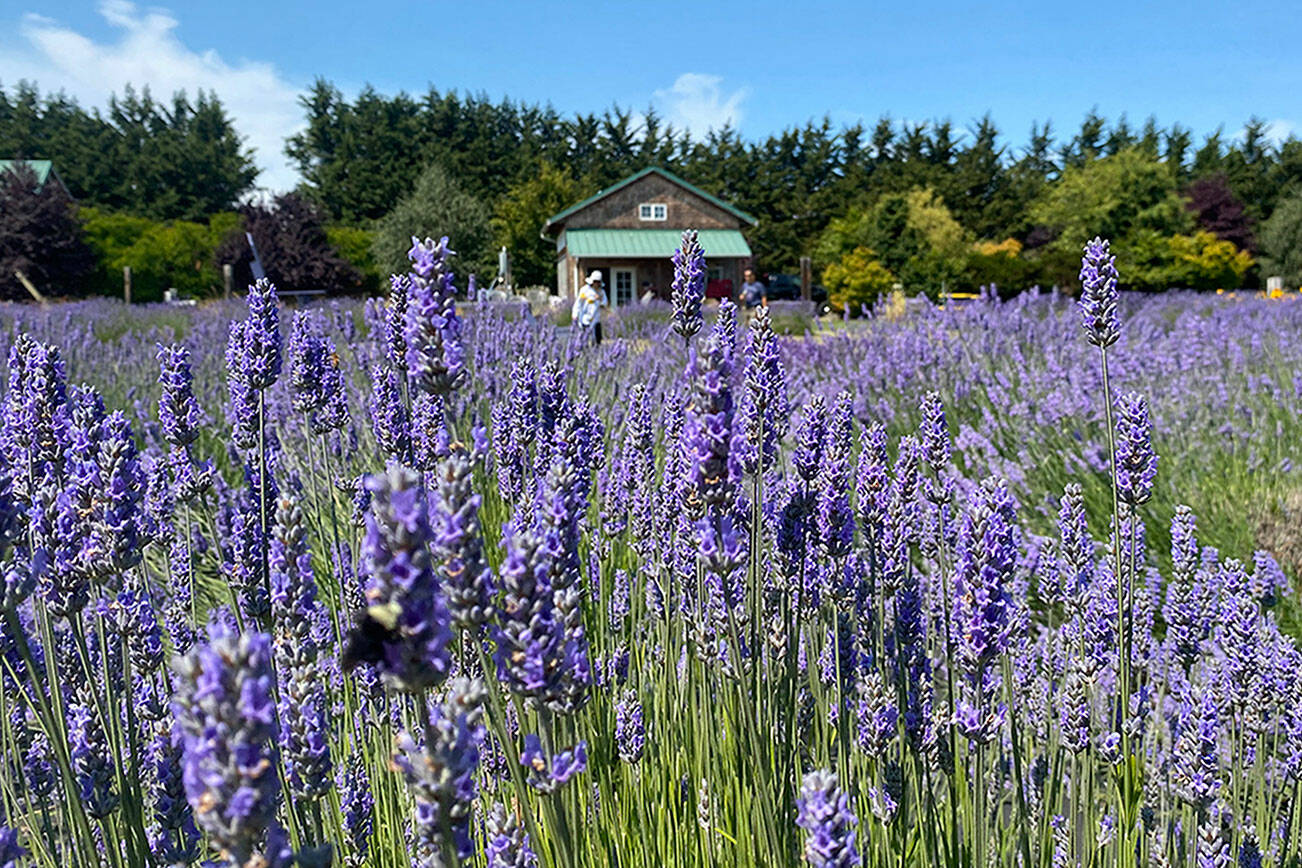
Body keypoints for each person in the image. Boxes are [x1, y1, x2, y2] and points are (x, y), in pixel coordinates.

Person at [572, 270, 608, 345]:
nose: (597, 284)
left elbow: (605, 303)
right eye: (596, 282)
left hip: (596, 318)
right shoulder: (584, 290)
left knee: (597, 340)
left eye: (598, 282)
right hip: (585, 317)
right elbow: (578, 303)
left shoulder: (601, 292)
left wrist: (600, 300)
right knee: (584, 339)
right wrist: (575, 314)